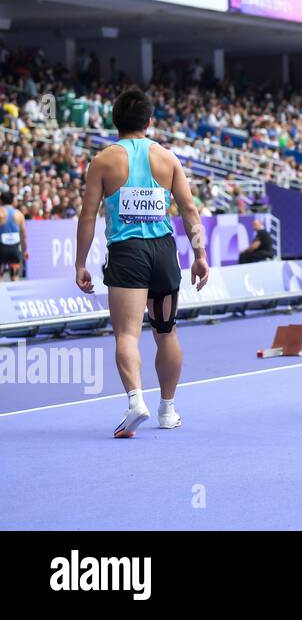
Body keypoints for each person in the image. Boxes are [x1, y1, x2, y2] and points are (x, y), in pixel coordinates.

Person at [74, 89, 209, 437]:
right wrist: (200, 256)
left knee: (127, 333)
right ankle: (168, 409)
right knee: (166, 332)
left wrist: (80, 264)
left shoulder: (103, 161)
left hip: (127, 252)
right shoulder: (168, 159)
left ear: (114, 121)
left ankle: (136, 402)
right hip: (163, 252)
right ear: (149, 122)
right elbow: (190, 211)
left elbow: (88, 216)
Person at [0, 190, 27, 280]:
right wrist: (25, 250)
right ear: (12, 201)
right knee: (15, 276)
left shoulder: (1, 213)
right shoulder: (19, 214)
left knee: (0, 276)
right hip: (14, 248)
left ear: (1, 201)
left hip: (1, 248)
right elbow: (24, 235)